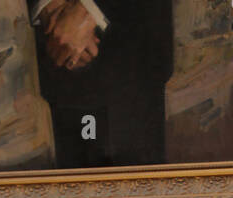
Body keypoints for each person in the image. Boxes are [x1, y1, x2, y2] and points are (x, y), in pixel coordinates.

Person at [27, 0, 174, 168]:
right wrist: (49, 6)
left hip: (133, 60)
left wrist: (90, 8)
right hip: (63, 65)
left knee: (136, 182)